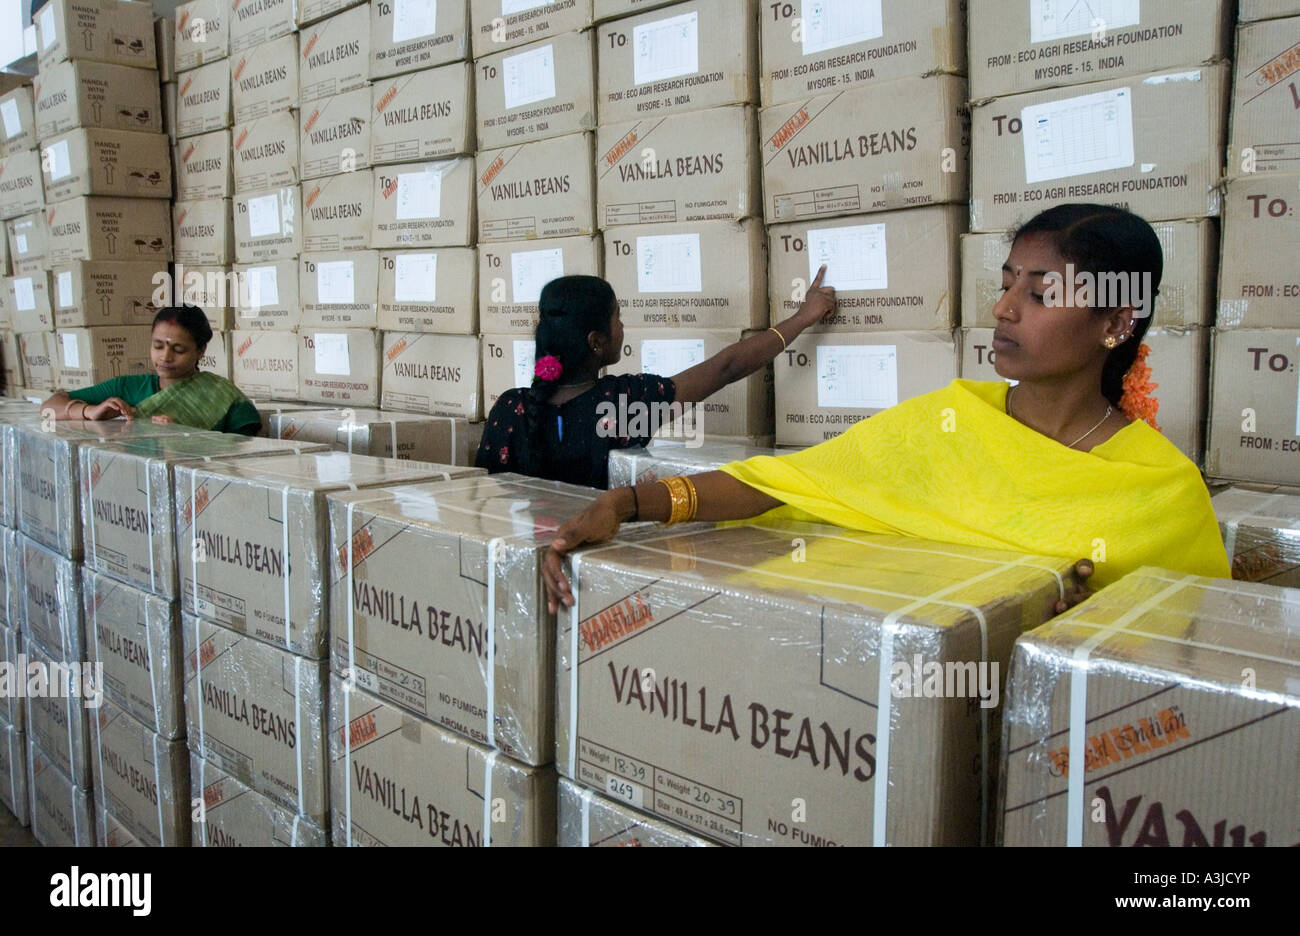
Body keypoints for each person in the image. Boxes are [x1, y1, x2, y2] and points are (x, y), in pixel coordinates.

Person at [541, 204, 1232, 614]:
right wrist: (627, 506)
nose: (1003, 309)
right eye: (1005, 284)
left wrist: (1092, 627)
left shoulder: (1160, 493)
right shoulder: (946, 424)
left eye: (1042, 293)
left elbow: (1184, 648)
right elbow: (782, 483)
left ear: (1116, 323)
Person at [475, 269, 837, 488]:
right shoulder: (624, 402)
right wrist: (803, 317)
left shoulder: (509, 409)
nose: (622, 327)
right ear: (596, 342)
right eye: (617, 317)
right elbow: (727, 367)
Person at [42, 305, 262, 435]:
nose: (165, 357)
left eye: (178, 349)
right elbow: (48, 409)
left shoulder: (222, 396)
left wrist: (190, 437)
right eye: (158, 346)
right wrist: (89, 412)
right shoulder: (126, 388)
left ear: (200, 351)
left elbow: (242, 456)